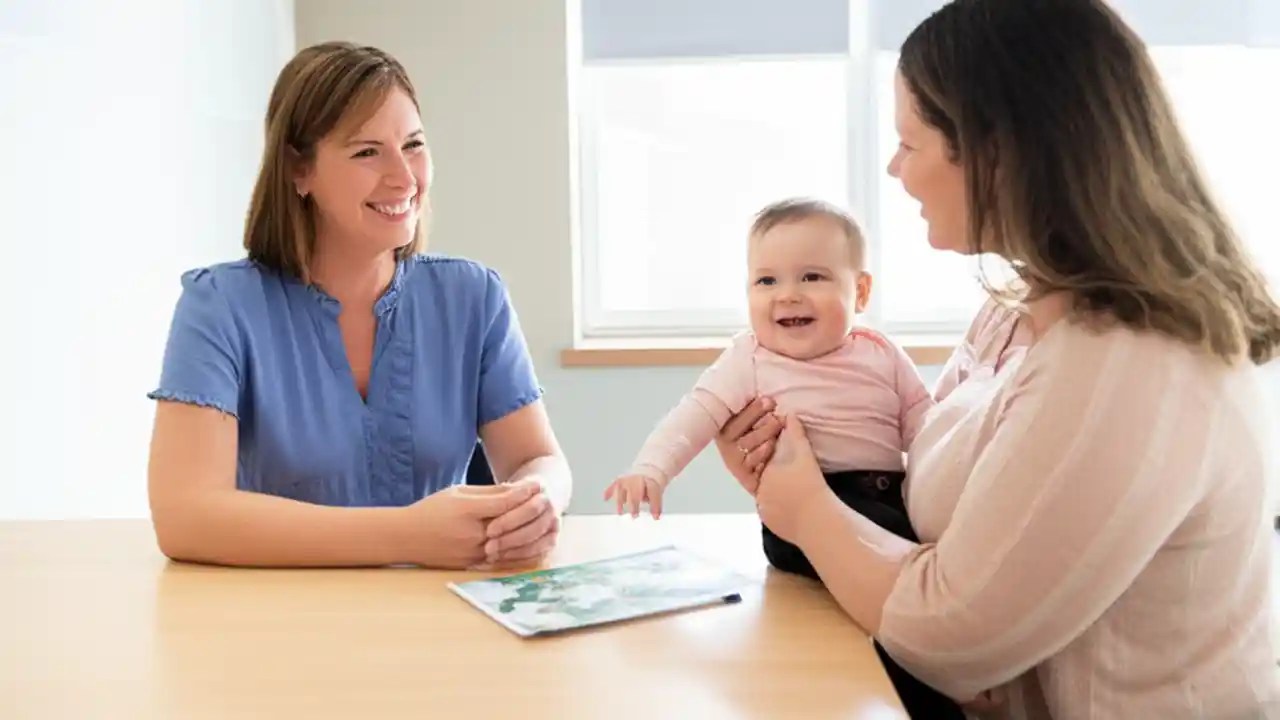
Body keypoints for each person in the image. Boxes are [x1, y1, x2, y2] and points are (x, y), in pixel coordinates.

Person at [716, 1, 1280, 717]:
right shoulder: (1014, 314)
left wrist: (807, 511)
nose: (894, 169)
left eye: (911, 143)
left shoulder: (1129, 364)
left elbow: (948, 633)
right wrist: (798, 469)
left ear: (997, 150)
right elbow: (936, 504)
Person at [146, 41, 570, 570]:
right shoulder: (218, 307)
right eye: (367, 152)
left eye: (413, 145)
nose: (403, 176)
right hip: (273, 625)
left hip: (443, 617)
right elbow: (186, 516)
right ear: (299, 172)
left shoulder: (473, 296)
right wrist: (407, 536)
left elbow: (537, 459)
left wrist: (537, 501)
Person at [605, 198, 933, 562]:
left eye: (812, 276)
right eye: (766, 280)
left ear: (860, 292)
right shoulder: (750, 357)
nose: (788, 295)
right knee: (905, 553)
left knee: (923, 538)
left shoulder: (881, 352)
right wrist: (650, 469)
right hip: (800, 513)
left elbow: (926, 425)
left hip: (891, 497)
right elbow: (693, 416)